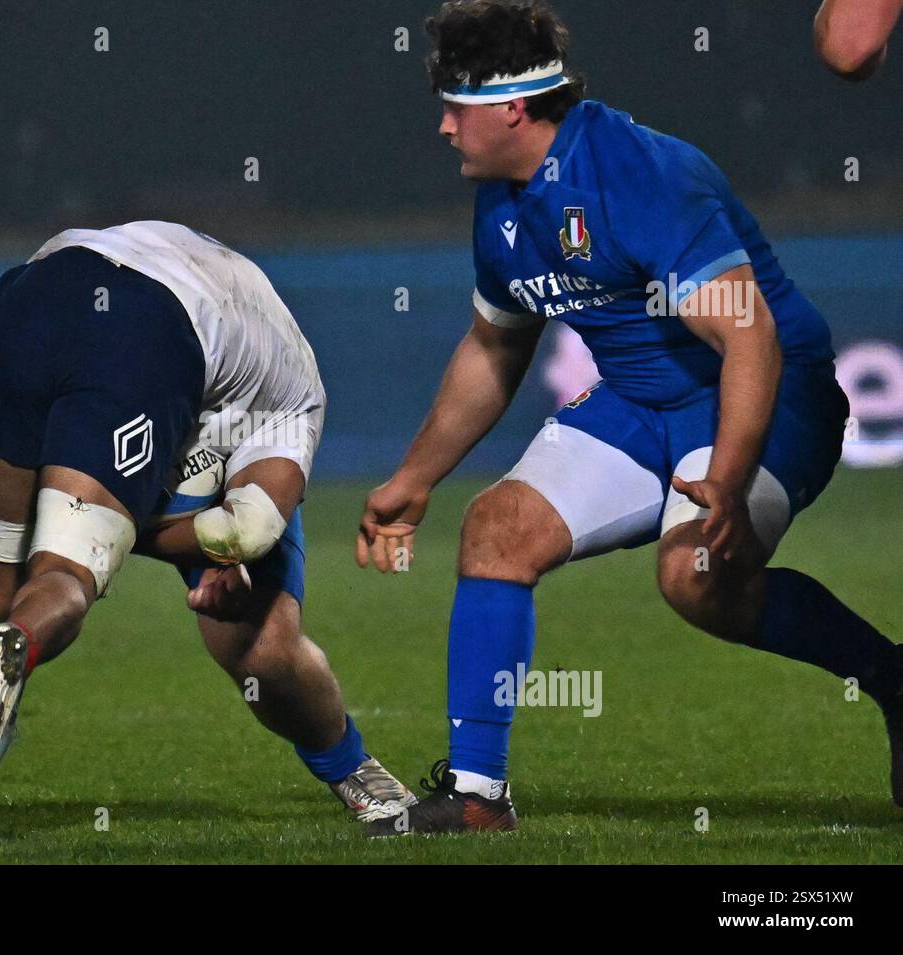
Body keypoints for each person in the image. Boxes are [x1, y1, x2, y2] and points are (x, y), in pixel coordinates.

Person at [358, 0, 903, 837]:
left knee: (695, 580)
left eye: (455, 107)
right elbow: (493, 348)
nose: (442, 127)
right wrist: (412, 478)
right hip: (637, 401)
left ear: (510, 107)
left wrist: (725, 474)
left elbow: (748, 335)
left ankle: (890, 676)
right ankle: (477, 796)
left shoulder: (634, 171)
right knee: (495, 528)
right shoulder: (504, 199)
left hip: (762, 390)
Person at [0, 221, 415, 842]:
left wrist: (142, 532)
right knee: (80, 581)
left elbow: (246, 526)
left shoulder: (274, 400)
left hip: (97, 314)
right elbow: (252, 523)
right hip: (142, 342)